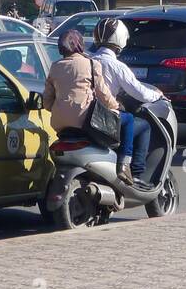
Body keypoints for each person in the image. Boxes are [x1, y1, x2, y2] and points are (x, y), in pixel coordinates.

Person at [90, 18, 156, 186]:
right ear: (120, 38)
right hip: (105, 121)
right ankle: (136, 172)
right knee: (143, 126)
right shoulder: (116, 66)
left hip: (85, 117)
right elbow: (140, 93)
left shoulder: (88, 60)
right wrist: (157, 95)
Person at [42, 28, 125, 158]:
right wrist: (116, 106)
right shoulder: (92, 64)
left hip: (59, 124)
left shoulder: (55, 66)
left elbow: (46, 103)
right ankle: (124, 165)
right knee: (129, 120)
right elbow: (103, 94)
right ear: (80, 44)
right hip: (86, 121)